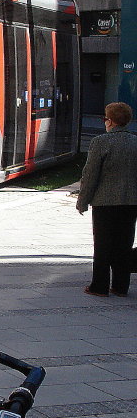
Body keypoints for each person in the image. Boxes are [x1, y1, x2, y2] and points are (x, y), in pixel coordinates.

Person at [76, 101, 137, 297]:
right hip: (131, 202)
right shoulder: (135, 142)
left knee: (103, 245)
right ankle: (120, 286)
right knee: (124, 244)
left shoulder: (100, 142)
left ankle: (99, 286)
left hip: (104, 202)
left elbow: (90, 174)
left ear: (110, 121)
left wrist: (83, 201)